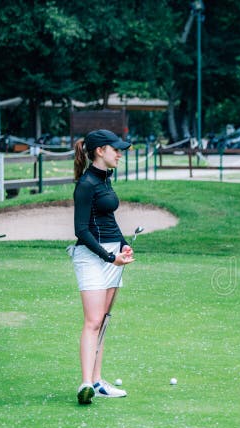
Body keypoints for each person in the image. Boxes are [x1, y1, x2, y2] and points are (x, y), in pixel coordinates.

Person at [70, 129, 134, 405]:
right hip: (91, 257)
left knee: (104, 321)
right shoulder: (86, 184)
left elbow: (108, 220)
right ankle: (86, 383)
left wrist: (123, 245)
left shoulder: (106, 179)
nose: (120, 154)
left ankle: (97, 382)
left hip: (112, 256)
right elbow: (81, 230)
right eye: (115, 149)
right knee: (93, 321)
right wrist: (109, 257)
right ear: (99, 151)